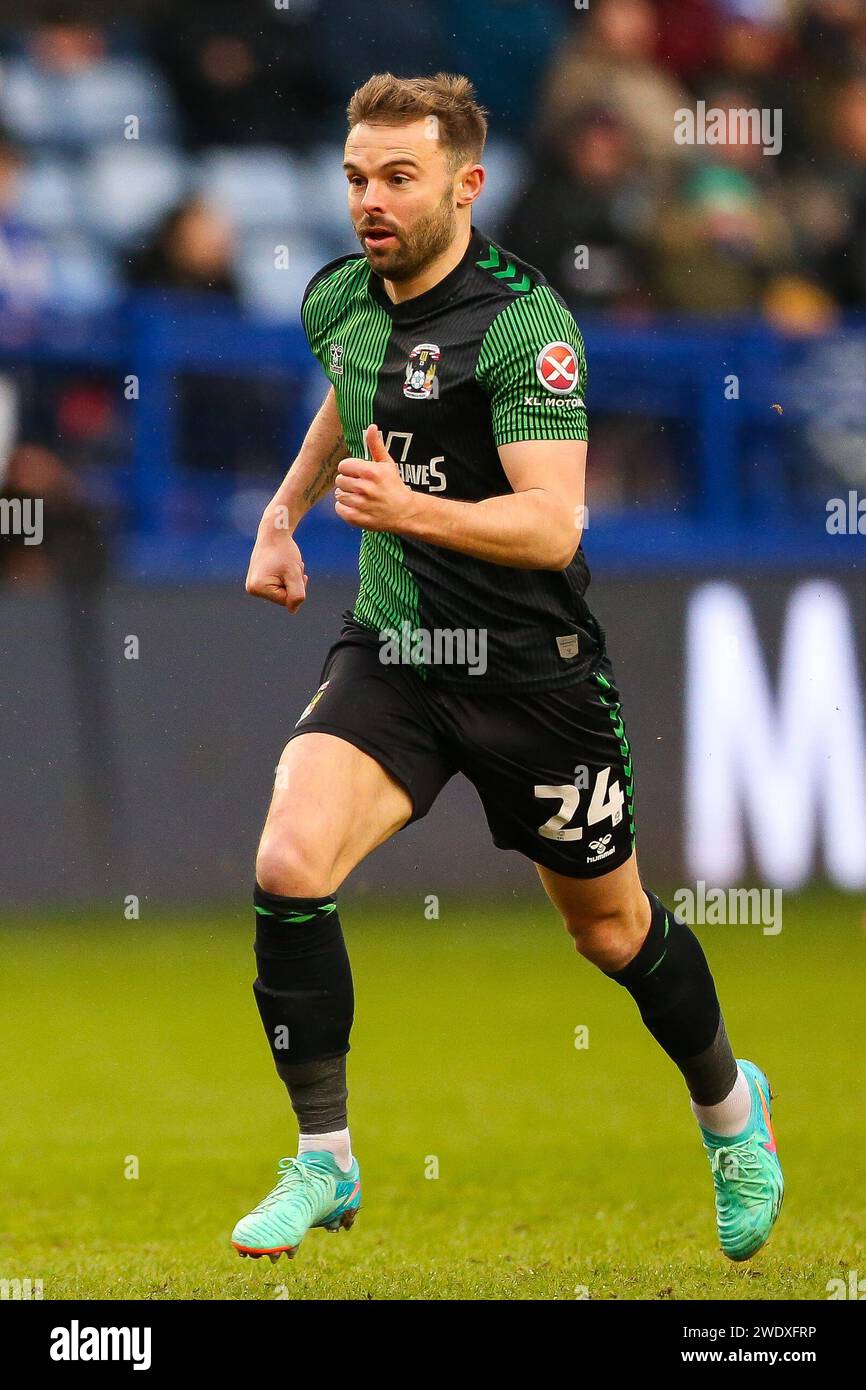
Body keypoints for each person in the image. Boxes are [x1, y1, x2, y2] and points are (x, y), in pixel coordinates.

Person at [232, 72, 784, 1264]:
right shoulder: (338, 298)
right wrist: (285, 513)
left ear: (464, 185)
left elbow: (553, 527)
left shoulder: (525, 327)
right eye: (354, 178)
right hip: (399, 652)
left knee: (611, 931)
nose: (368, 202)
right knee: (287, 859)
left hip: (533, 674)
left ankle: (733, 1116)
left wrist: (409, 509)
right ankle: (323, 1160)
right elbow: (349, 399)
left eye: (397, 178)